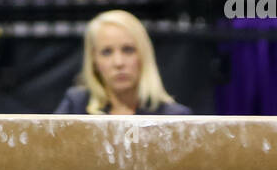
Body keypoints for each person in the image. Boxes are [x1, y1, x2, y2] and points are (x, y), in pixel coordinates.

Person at [53, 10, 190, 115]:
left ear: (143, 55)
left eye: (128, 50)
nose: (118, 63)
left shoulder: (174, 117)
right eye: (107, 52)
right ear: (94, 60)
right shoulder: (75, 106)